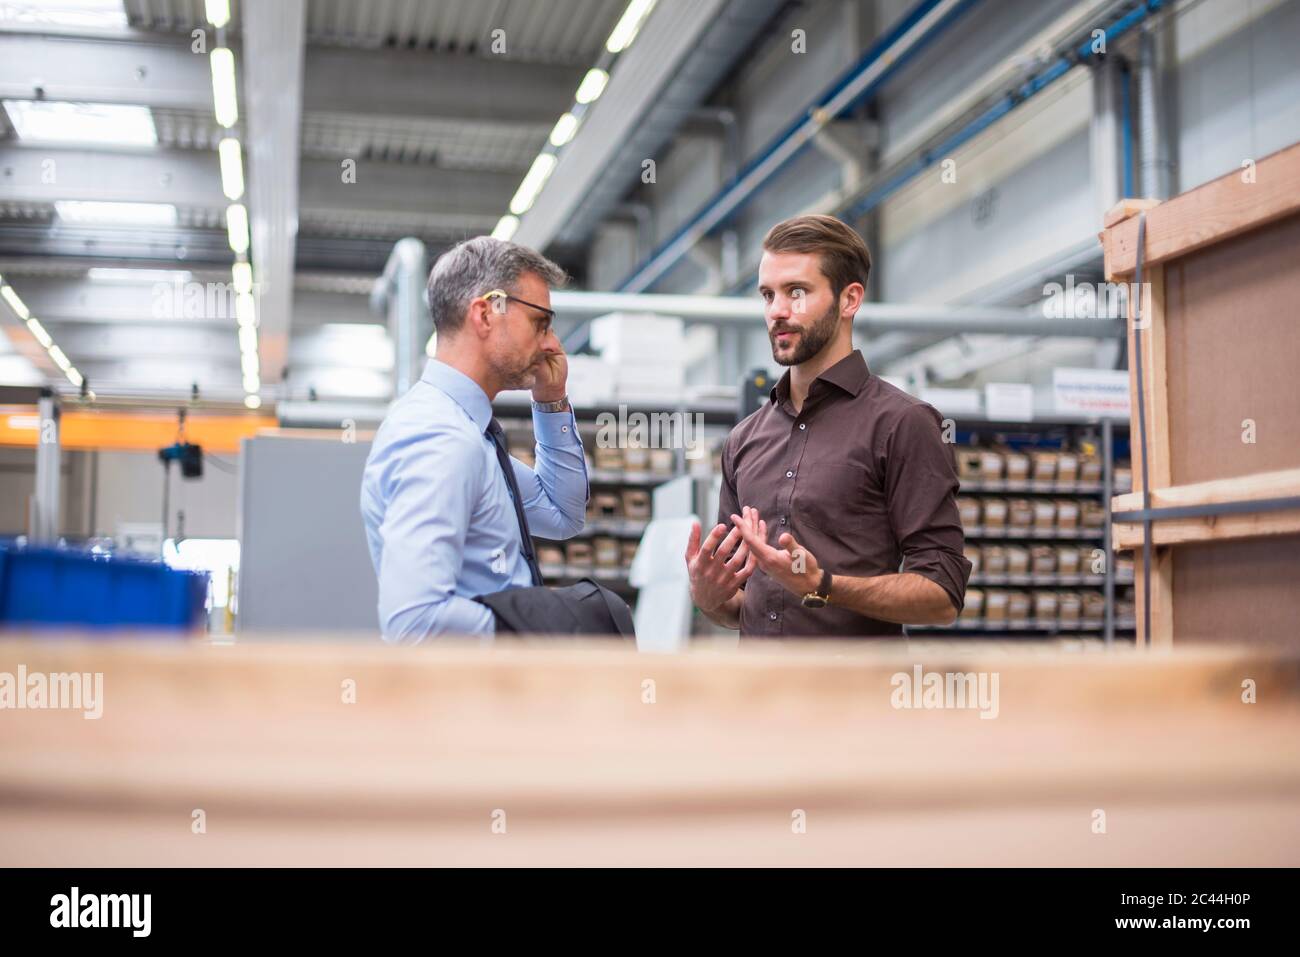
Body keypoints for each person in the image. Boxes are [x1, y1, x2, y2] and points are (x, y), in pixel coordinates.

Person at [685, 214, 971, 638]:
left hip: (854, 699)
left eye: (796, 292)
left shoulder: (902, 424)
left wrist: (823, 586)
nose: (778, 311)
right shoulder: (744, 440)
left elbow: (942, 595)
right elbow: (742, 604)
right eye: (768, 295)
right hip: (755, 699)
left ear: (849, 300)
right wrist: (708, 597)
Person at [361, 237, 588, 642]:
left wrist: (551, 402)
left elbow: (562, 514)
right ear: (486, 314)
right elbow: (415, 623)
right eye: (541, 323)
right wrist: (540, 635)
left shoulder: (469, 433)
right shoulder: (440, 437)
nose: (553, 344)